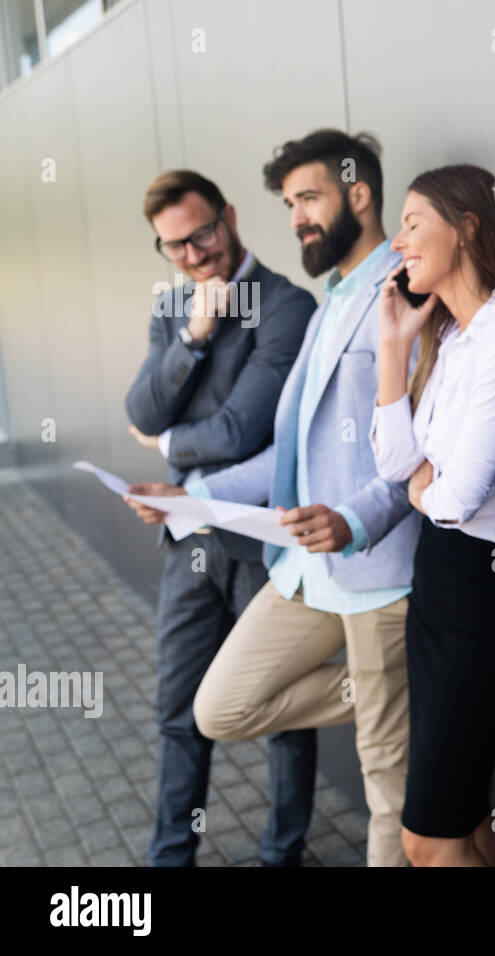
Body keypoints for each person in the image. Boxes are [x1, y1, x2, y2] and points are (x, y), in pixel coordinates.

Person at [185, 129, 421, 867]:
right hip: (307, 573)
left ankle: (397, 690)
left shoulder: (406, 288)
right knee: (221, 706)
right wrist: (190, 495)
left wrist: (354, 517)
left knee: (386, 786)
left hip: (379, 573)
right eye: (290, 205)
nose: (297, 219)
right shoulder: (330, 304)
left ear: (360, 194)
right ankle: (404, 686)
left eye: (309, 198)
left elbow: (426, 447)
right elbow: (286, 453)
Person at [123, 169, 317, 867]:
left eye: (202, 233)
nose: (194, 254)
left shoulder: (287, 306)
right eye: (175, 245)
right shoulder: (174, 308)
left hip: (259, 539)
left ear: (228, 216)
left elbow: (242, 429)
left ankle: (283, 854)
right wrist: (196, 334)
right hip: (188, 541)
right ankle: (170, 857)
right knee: (177, 709)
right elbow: (141, 409)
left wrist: (166, 446)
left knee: (283, 711)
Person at [370, 164, 495, 866]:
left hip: (483, 594)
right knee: (470, 817)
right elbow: (395, 462)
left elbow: (454, 500)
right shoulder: (450, 336)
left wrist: (425, 489)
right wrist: (394, 345)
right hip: (437, 583)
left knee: (426, 839)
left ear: (467, 227)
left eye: (412, 223)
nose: (398, 242)